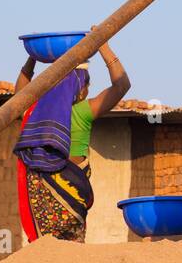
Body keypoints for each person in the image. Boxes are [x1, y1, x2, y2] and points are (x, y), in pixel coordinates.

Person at [13, 41, 129, 243]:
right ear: (81, 88)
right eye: (87, 85)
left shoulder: (37, 111)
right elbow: (122, 85)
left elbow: (19, 95)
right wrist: (103, 46)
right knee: (72, 250)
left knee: (44, 248)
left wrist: (33, 56)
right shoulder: (84, 110)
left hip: (41, 195)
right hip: (74, 191)